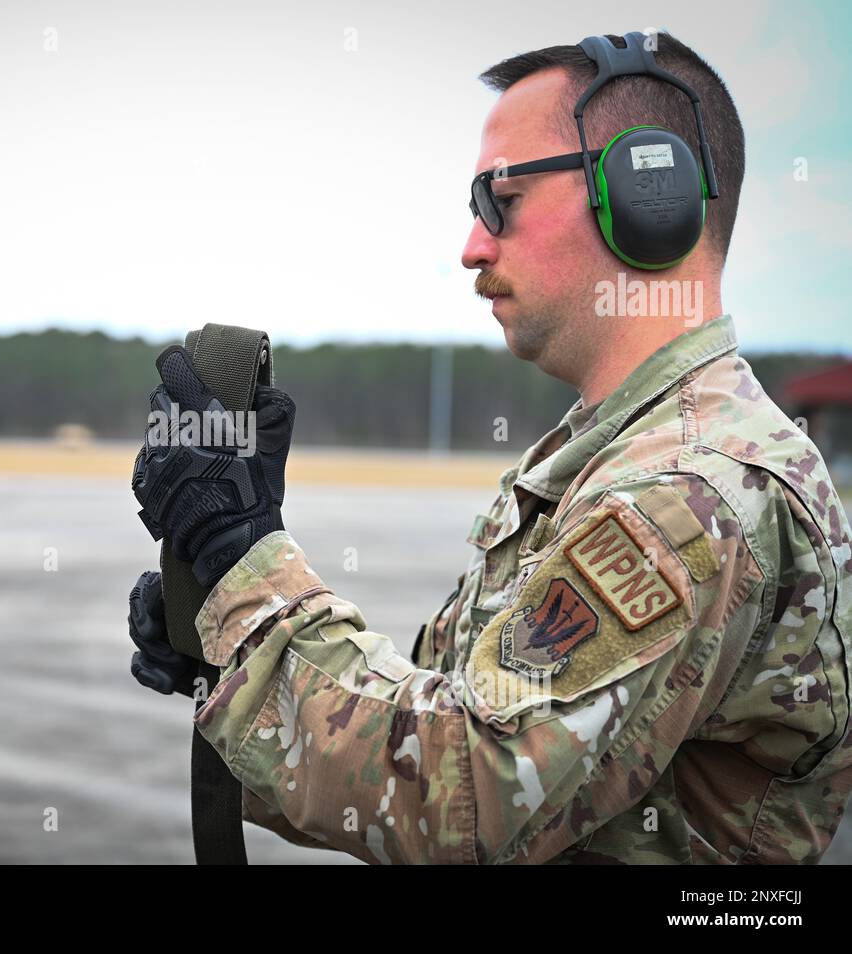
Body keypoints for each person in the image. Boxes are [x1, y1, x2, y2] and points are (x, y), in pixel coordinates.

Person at [128, 31, 852, 864]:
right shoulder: (613, 459)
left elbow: (468, 798)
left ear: (649, 193)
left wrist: (244, 566)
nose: (473, 245)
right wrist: (227, 640)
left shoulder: (691, 491)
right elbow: (451, 721)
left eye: (498, 197)